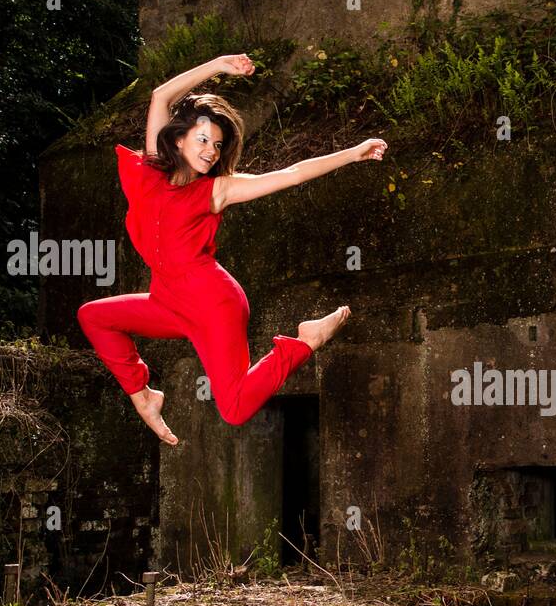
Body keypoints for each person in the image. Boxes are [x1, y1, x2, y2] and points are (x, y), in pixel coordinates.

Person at [77, 53, 387, 444]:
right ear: (178, 139)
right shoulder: (150, 171)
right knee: (94, 317)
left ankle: (306, 341)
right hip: (167, 300)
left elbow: (290, 175)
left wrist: (352, 153)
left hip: (212, 303)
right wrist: (217, 65)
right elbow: (160, 96)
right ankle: (145, 396)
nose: (211, 150)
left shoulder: (216, 191)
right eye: (203, 139)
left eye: (218, 145)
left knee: (235, 408)